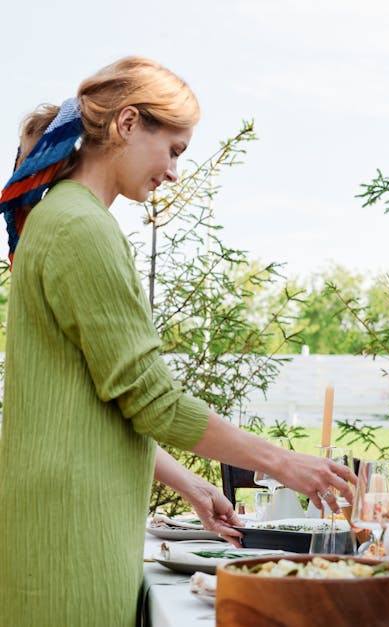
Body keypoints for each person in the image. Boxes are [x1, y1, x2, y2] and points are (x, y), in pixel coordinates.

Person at [0, 57, 356, 627]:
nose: (172, 171)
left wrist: (189, 482)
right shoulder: (82, 228)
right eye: (174, 149)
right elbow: (152, 399)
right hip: (72, 526)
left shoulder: (58, 217)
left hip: (59, 512)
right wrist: (285, 464)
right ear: (127, 124)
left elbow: (104, 399)